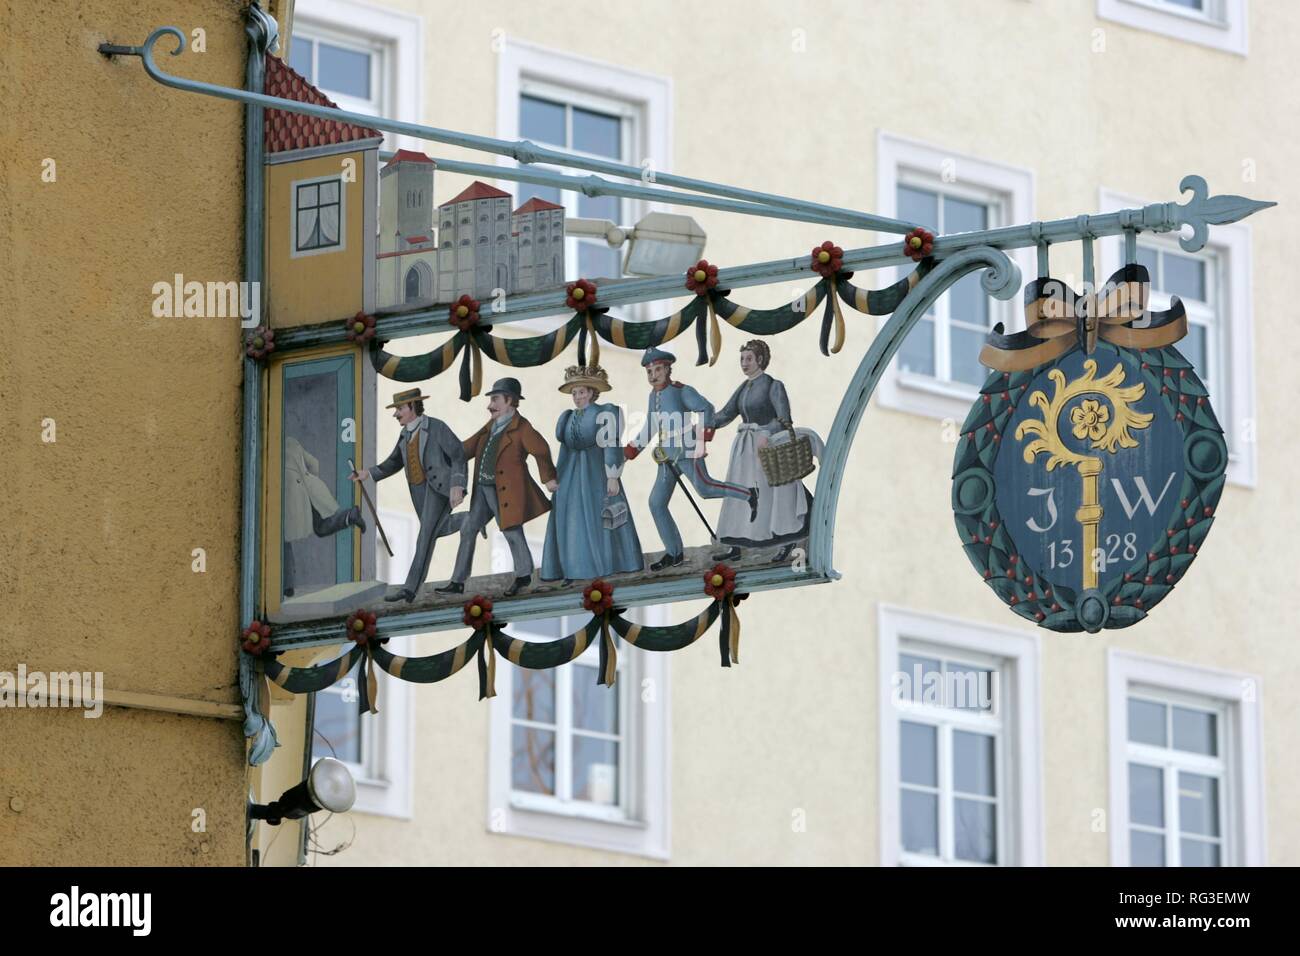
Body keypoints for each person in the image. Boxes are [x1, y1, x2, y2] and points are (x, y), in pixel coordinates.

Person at [623, 347, 758, 571]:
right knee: (656, 503)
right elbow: (651, 425)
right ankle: (674, 553)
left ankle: (749, 494)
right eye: (649, 371)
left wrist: (703, 441)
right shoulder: (653, 396)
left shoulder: (682, 390)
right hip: (666, 457)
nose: (653, 375)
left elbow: (706, 408)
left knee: (705, 489)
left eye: (657, 369)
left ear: (668, 370)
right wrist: (630, 451)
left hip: (687, 451)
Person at [437, 378, 557, 597]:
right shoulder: (491, 426)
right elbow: (466, 448)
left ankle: (523, 575)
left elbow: (541, 449)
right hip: (482, 490)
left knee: (511, 530)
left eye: (495, 399)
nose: (490, 405)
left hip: (505, 491)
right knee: (469, 528)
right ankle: (458, 581)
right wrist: (440, 455)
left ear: (509, 401)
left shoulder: (522, 427)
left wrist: (548, 478)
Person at [350, 388, 466, 603]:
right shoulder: (404, 435)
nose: (396, 414)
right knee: (437, 530)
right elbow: (393, 462)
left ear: (413, 406)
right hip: (418, 489)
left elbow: (458, 454)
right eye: (395, 409)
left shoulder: (437, 427)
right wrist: (367, 473)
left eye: (400, 408)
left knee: (425, 537)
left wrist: (457, 485)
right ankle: (471, 518)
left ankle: (410, 589)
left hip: (439, 488)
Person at [709, 339, 818, 564]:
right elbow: (725, 414)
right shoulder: (744, 387)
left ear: (760, 360)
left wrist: (765, 432)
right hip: (744, 449)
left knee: (771, 495)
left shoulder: (772, 385)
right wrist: (701, 423)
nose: (744, 363)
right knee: (740, 493)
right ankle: (736, 544)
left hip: (766, 447)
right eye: (742, 359)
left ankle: (785, 541)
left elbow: (784, 419)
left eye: (749, 359)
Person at [541, 365, 643, 583]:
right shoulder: (567, 418)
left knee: (600, 517)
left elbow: (611, 445)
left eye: (582, 392)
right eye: (575, 393)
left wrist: (613, 475)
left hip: (597, 472)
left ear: (591, 392)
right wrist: (557, 477)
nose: (577, 397)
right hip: (570, 475)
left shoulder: (604, 413)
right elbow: (565, 450)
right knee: (571, 519)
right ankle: (572, 568)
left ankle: (604, 566)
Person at [282, 435, 366, 598]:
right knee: (320, 527)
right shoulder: (292, 441)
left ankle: (288, 586)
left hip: (290, 494)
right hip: (309, 486)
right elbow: (314, 464)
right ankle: (350, 516)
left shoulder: (271, 444)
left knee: (283, 538)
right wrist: (308, 480)